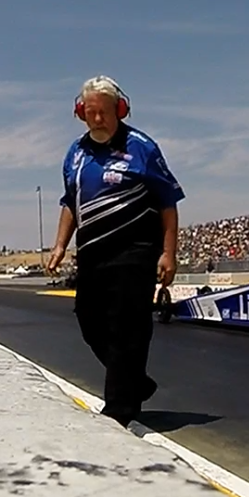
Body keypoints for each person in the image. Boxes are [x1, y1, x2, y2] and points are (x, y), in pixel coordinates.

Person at [47, 75, 186, 425]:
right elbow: (70, 202)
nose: (97, 119)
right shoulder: (75, 153)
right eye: (90, 112)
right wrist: (60, 244)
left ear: (119, 110)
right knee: (90, 321)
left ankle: (119, 410)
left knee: (127, 325)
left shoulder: (142, 147)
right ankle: (134, 382)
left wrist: (168, 253)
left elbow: (168, 202)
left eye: (104, 112)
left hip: (136, 250)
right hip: (93, 254)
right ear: (81, 113)